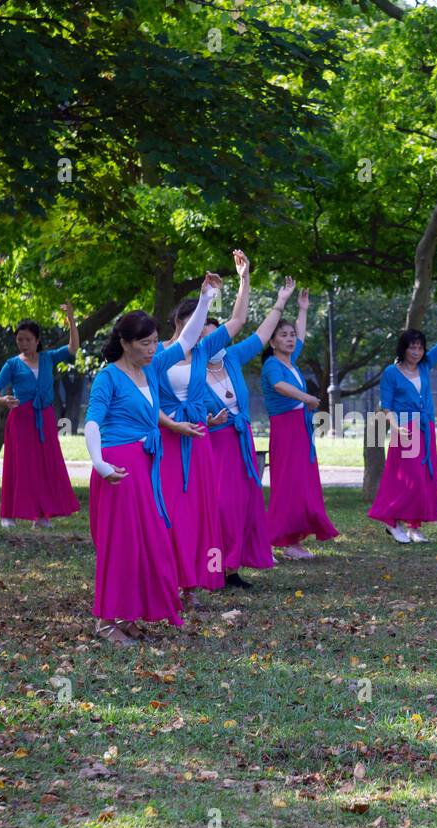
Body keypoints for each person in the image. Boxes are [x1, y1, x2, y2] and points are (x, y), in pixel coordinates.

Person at [83, 274, 221, 643]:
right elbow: (93, 422)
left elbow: (189, 338)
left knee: (151, 540)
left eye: (155, 342)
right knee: (121, 543)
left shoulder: (154, 367)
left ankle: (128, 614)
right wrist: (99, 463)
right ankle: (106, 621)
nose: (152, 348)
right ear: (125, 343)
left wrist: (206, 297)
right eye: (145, 343)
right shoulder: (108, 378)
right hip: (118, 467)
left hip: (148, 464)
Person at [158, 250, 252, 607]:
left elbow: (238, 320)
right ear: (179, 322)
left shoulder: (203, 350)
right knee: (170, 511)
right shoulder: (159, 353)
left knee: (198, 512)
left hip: (198, 440)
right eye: (193, 321)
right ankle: (165, 580)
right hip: (167, 438)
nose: (199, 328)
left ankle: (192, 585)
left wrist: (244, 279)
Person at [201, 273, 295, 587]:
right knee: (220, 507)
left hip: (240, 440)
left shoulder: (231, 357)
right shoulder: (188, 369)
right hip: (213, 445)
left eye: (218, 335)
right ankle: (211, 568)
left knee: (244, 504)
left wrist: (280, 301)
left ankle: (231, 569)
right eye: (207, 337)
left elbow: (261, 332)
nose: (215, 342)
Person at [367, 295, 437, 543]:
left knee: (424, 477)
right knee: (408, 477)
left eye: (420, 347)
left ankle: (414, 526)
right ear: (403, 348)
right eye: (412, 347)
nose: (416, 352)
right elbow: (386, 407)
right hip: (404, 427)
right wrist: (398, 428)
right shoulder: (391, 372)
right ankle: (390, 520)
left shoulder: (426, 365)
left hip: (425, 426)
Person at [261, 288, 339, 558]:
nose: (290, 339)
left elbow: (302, 335)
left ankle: (293, 541)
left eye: (291, 335)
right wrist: (307, 397)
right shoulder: (272, 364)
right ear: (271, 341)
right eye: (283, 335)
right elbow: (279, 386)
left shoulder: (291, 361)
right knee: (287, 484)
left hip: (300, 429)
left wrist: (303, 308)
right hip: (285, 430)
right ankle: (272, 539)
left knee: (302, 484)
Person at [0, 304, 81, 529]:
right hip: (20, 419)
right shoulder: (12, 364)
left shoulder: (48, 357)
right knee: (19, 464)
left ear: (37, 340)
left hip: (45, 417)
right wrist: (1, 400)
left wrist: (70, 318)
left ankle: (41, 515)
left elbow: (73, 348)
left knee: (44, 465)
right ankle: (8, 513)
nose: (23, 343)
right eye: (20, 339)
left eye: (28, 339)